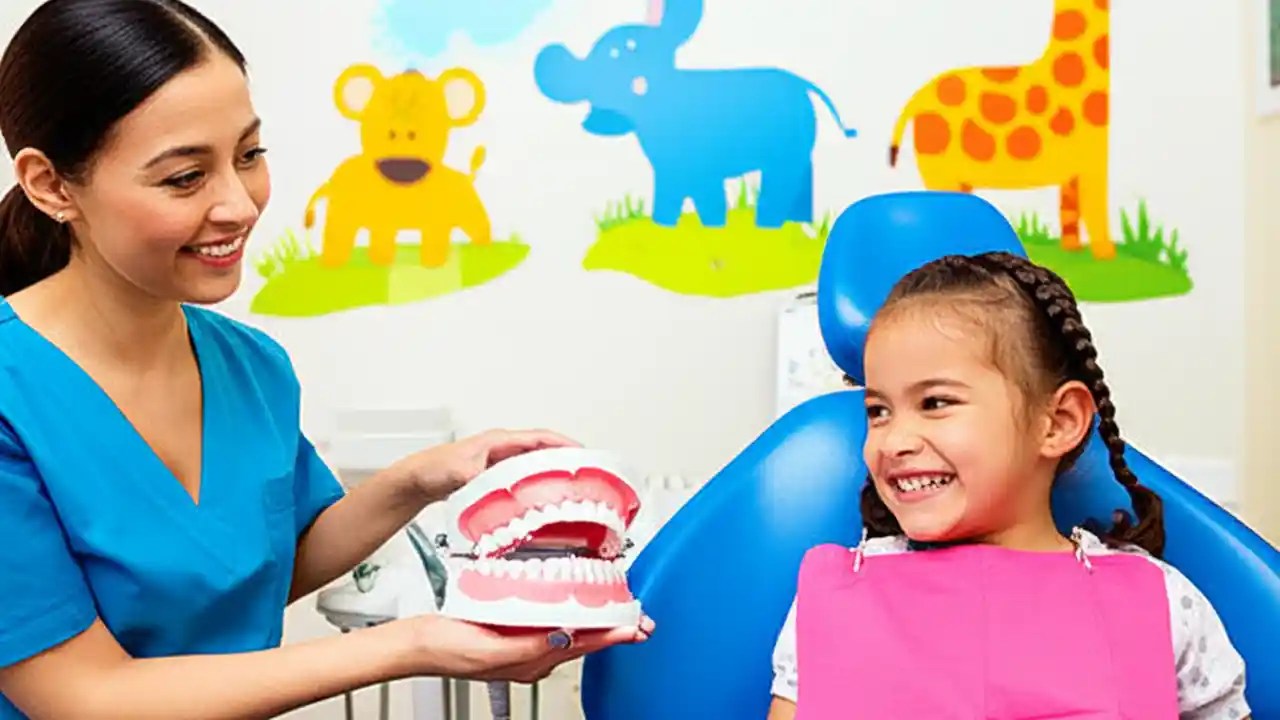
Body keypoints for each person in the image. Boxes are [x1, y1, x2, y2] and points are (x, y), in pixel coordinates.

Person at [0, 1, 652, 718]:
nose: (239, 205)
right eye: (185, 177)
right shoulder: (14, 398)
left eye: (249, 155)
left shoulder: (252, 367)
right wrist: (414, 645)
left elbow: (261, 566)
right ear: (52, 186)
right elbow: (84, 696)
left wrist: (425, 478)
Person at [765, 252, 1249, 719]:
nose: (893, 441)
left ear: (1057, 422)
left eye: (935, 403)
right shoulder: (831, 603)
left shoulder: (1160, 605)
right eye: (878, 412)